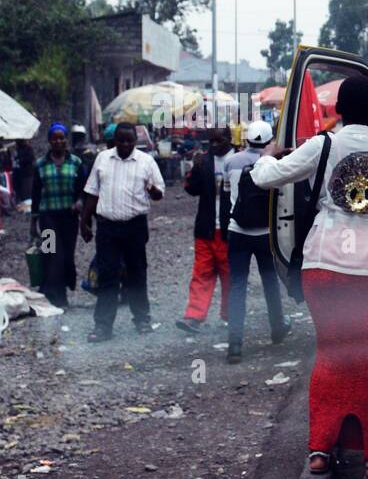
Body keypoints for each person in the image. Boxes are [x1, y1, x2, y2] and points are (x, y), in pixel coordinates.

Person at [251, 77, 368, 479]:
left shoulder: (322, 146)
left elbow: (266, 178)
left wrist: (266, 156)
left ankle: (320, 449)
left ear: (337, 108)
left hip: (325, 266)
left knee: (331, 352)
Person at [80, 121, 166, 342]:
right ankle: (103, 327)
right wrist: (85, 220)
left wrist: (153, 190)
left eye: (129, 140)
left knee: (137, 273)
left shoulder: (146, 162)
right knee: (107, 275)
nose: (125, 144)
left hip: (135, 226)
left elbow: (159, 194)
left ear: (135, 141)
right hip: (107, 226)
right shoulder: (102, 159)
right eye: (121, 140)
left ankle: (142, 319)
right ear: (114, 140)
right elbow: (92, 192)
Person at [222, 120, 289, 362]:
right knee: (270, 281)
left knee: (237, 286)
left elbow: (226, 197)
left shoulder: (232, 161)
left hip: (237, 230)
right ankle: (278, 328)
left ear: (247, 138)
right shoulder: (275, 162)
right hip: (265, 233)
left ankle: (235, 344)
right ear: (269, 140)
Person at [175, 127, 232, 334]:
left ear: (229, 139)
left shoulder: (239, 159)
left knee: (230, 276)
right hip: (206, 228)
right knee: (201, 273)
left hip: (230, 229)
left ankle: (231, 315)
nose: (215, 146)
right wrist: (194, 170)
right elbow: (191, 189)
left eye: (220, 141)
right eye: (211, 142)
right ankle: (194, 316)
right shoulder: (204, 161)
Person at [28, 122, 86, 308]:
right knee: (51, 253)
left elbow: (83, 189)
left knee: (66, 255)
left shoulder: (76, 163)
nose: (58, 141)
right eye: (55, 138)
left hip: (69, 219)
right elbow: (36, 194)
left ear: (66, 140)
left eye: (61, 138)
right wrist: (33, 221)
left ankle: (60, 290)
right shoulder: (40, 164)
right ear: (49, 141)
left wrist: (80, 201)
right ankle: (56, 297)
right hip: (47, 218)